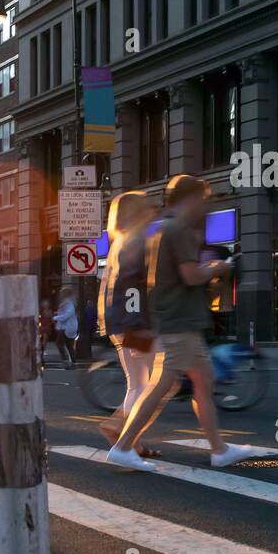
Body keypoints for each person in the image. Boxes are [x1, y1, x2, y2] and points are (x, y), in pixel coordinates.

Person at [106, 175, 254, 471]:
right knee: (162, 384)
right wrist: (219, 267)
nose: (207, 205)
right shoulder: (177, 229)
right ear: (193, 198)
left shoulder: (163, 229)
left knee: (203, 381)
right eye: (205, 199)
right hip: (179, 320)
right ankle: (123, 446)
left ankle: (219, 449)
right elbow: (190, 276)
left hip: (180, 319)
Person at [97, 190, 161, 457]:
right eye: (146, 208)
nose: (151, 212)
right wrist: (138, 324)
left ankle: (131, 439)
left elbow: (110, 290)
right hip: (133, 322)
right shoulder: (135, 242)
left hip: (120, 323)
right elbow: (132, 287)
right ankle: (122, 432)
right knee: (154, 384)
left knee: (138, 384)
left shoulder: (119, 243)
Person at [53, 291, 78, 367]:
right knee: (68, 344)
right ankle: (72, 361)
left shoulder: (69, 304)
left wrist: (55, 317)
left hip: (67, 327)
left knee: (59, 343)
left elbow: (67, 315)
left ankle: (66, 360)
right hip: (66, 327)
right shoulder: (65, 304)